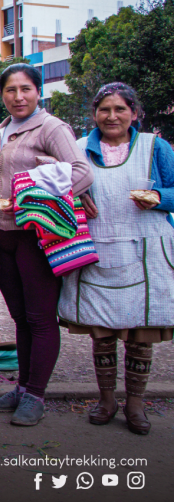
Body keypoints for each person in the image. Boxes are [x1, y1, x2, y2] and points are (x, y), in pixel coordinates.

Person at [0, 64, 93, 426]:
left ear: (38, 91)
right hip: (1, 235)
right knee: (20, 318)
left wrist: (37, 195)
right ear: (2, 95)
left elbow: (82, 172)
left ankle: (36, 396)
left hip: (36, 236)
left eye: (26, 89)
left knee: (41, 319)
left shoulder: (51, 127)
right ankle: (22, 387)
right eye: (10, 90)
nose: (18, 96)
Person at [60, 83, 174, 436]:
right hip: (99, 250)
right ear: (95, 115)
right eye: (105, 110)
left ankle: (136, 404)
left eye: (120, 109)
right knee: (103, 334)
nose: (112, 116)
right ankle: (106, 400)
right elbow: (58, 193)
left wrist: (159, 196)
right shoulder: (78, 150)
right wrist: (76, 201)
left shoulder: (156, 148)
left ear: (134, 114)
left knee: (141, 335)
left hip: (146, 251)